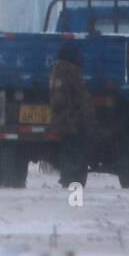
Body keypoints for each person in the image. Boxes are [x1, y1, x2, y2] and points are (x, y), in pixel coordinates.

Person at [49, 42, 95, 187]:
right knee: (76, 150)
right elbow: (82, 99)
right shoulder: (72, 73)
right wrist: (89, 120)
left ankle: (66, 177)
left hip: (60, 119)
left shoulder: (56, 72)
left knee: (67, 149)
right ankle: (73, 181)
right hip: (73, 121)